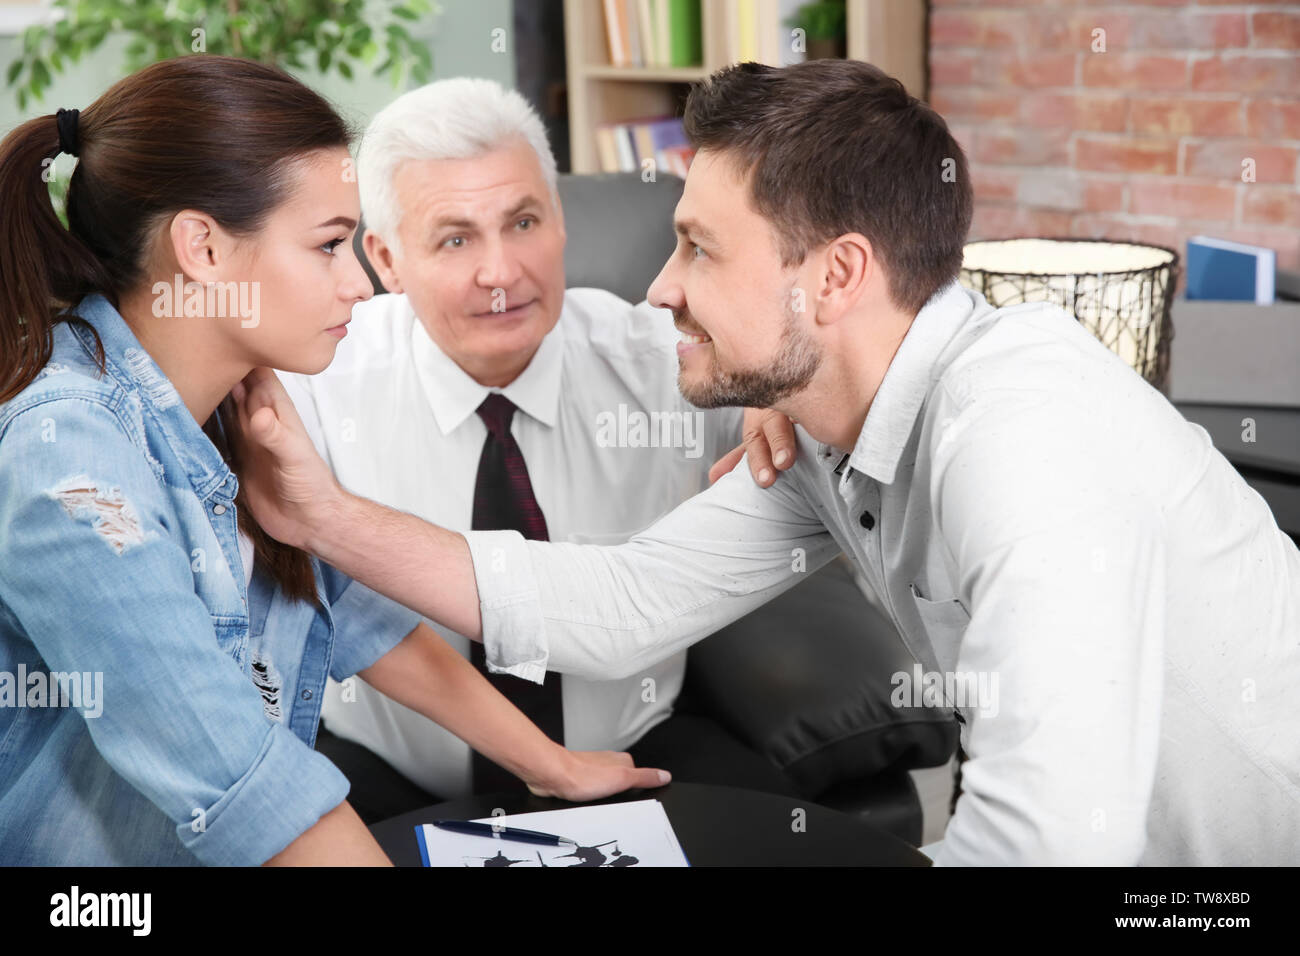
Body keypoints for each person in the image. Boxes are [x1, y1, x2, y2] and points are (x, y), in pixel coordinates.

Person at [231, 58, 1300, 865]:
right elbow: (620, 600)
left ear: (832, 277)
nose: (658, 287)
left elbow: (1048, 844)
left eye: (698, 245)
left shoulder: (1024, 432)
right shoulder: (824, 436)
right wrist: (322, 515)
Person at [0, 55, 666, 868]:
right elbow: (242, 779)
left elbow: (357, 614)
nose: (359, 285)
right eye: (328, 246)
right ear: (202, 250)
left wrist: (553, 767)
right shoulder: (71, 458)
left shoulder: (232, 403)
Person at [279, 76, 803, 822]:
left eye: (523, 222)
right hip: (387, 769)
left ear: (560, 222)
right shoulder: (317, 378)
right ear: (386, 261)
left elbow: (823, 384)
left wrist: (777, 391)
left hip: (636, 746)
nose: (501, 272)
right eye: (455, 238)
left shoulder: (673, 359)